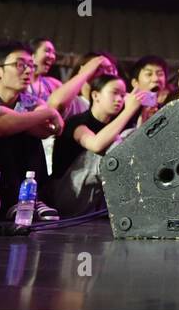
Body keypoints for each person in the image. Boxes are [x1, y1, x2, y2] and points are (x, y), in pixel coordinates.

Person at [0, 41, 65, 221]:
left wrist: (14, 118)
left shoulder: (30, 101)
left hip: (14, 171)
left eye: (31, 65)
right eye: (20, 65)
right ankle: (6, 202)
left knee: (24, 130)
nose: (28, 71)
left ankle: (31, 199)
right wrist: (48, 112)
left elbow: (50, 129)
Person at [47, 73, 142, 217]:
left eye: (123, 95)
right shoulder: (77, 122)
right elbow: (96, 145)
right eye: (114, 93)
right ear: (96, 95)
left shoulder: (119, 124)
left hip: (98, 200)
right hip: (68, 196)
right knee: (123, 138)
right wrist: (129, 111)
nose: (119, 99)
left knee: (131, 137)